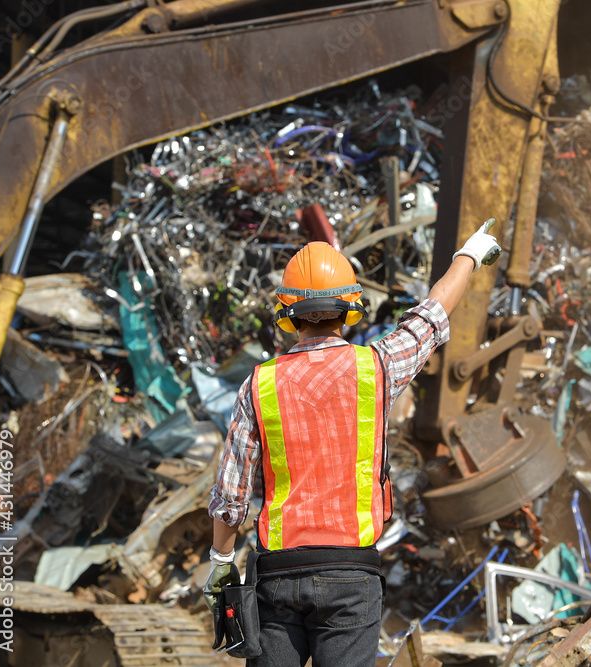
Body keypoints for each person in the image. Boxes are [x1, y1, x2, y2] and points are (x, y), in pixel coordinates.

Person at [204, 219, 501, 666]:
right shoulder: (376, 369)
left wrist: (220, 558)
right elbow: (432, 314)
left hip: (277, 575)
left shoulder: (259, 384)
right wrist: (470, 254)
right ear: (351, 308)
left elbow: (232, 495)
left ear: (289, 312)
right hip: (351, 576)